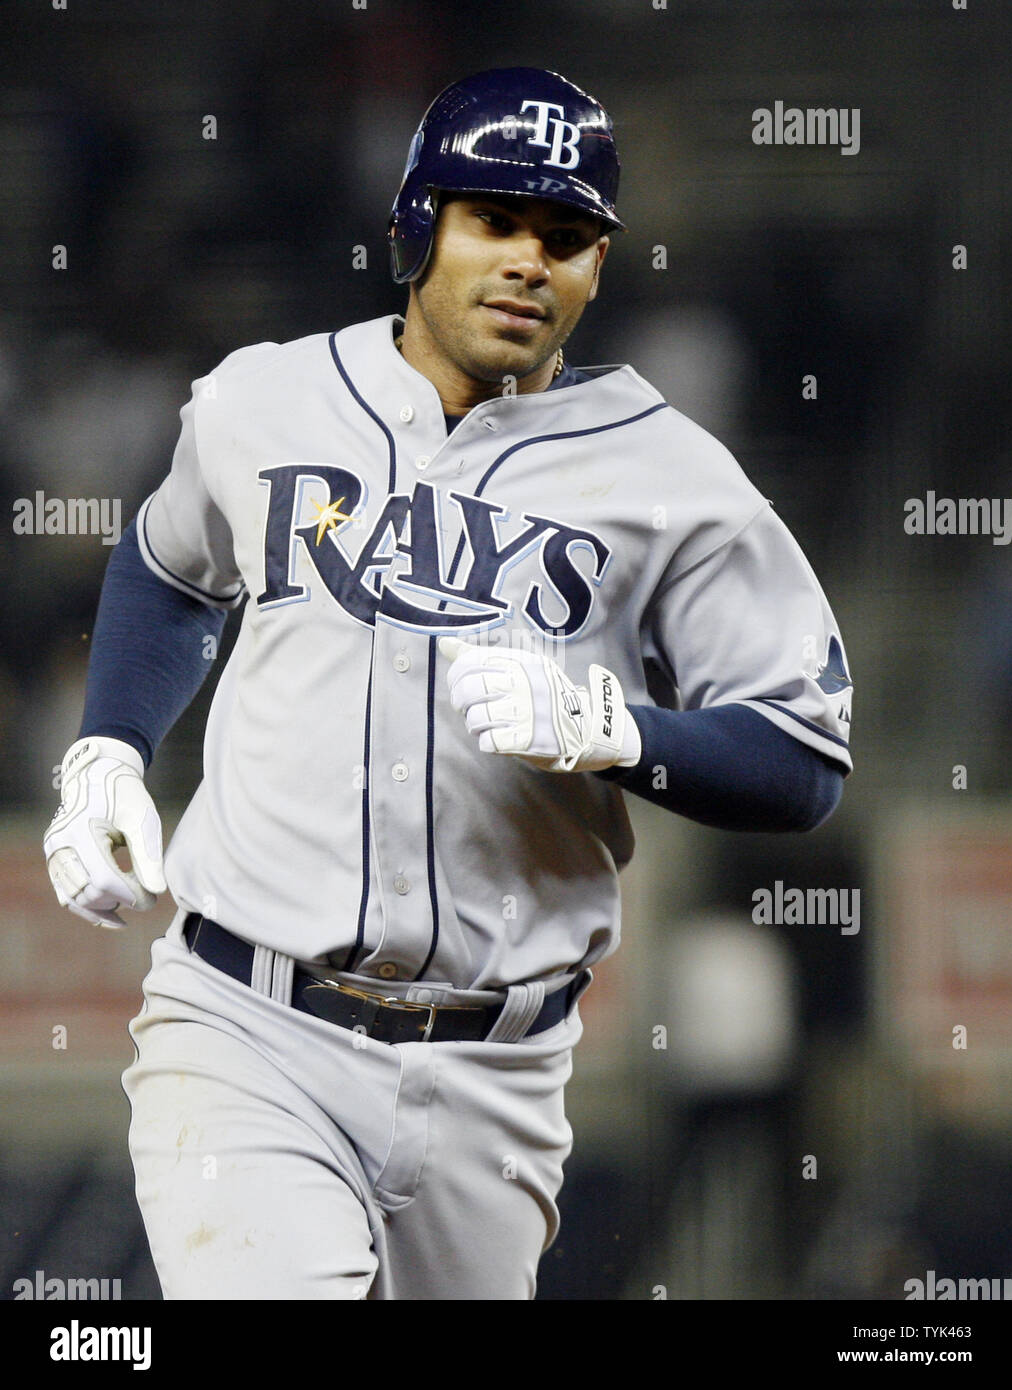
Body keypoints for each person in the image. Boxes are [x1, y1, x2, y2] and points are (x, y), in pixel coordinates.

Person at [43, 67, 853, 1300]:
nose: (531, 260)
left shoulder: (674, 478)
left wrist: (614, 732)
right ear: (416, 229)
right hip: (246, 1023)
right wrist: (109, 747)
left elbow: (801, 764)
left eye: (567, 236)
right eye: (495, 220)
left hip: (500, 1070)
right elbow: (168, 570)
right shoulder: (265, 400)